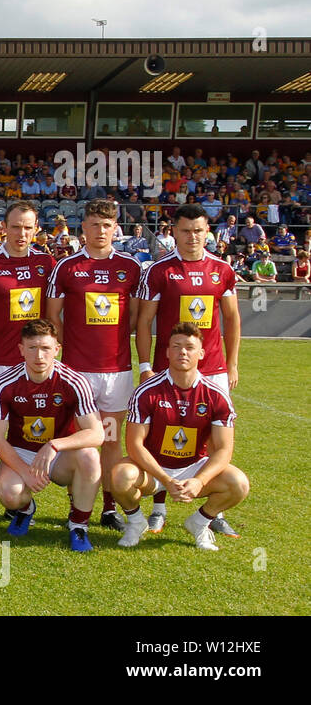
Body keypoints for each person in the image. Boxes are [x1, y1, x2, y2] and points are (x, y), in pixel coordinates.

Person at [135, 203, 241, 536]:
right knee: (161, 435)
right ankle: (160, 505)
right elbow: (145, 321)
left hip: (213, 368)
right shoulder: (159, 270)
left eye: (198, 230)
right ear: (174, 232)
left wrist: (233, 363)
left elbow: (232, 319)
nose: (192, 237)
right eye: (185, 230)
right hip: (169, 368)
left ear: (207, 231)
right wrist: (144, 365)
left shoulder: (222, 270)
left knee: (211, 439)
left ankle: (210, 511)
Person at [45, 198, 143, 530]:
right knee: (83, 441)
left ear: (116, 229)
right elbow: (52, 314)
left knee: (112, 441)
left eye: (107, 225)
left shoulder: (130, 267)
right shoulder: (67, 267)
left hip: (116, 372)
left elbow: (134, 316)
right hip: (77, 371)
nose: (101, 231)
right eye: (94, 225)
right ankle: (79, 507)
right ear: (82, 228)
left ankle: (109, 508)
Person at [113, 323, 249, 551]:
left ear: (201, 353)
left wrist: (199, 480)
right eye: (176, 346)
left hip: (193, 467)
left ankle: (199, 522)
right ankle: (136, 523)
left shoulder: (216, 395)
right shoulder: (146, 391)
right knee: (120, 476)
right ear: (167, 352)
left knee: (239, 483)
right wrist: (166, 480)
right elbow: (134, 445)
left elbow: (224, 450)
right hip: (154, 468)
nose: (182, 352)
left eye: (189, 347)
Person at [0, 319, 103, 552]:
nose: (39, 356)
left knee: (90, 456)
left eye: (46, 348)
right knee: (10, 494)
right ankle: (25, 509)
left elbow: (97, 433)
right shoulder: (4, 383)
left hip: (60, 455)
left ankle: (78, 526)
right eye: (32, 348)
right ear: (21, 349)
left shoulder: (75, 382)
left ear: (56, 349)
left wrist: (55, 445)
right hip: (22, 451)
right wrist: (23, 471)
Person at [0, 201, 57, 390]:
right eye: (15, 227)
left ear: (36, 229)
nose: (21, 234)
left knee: (38, 419)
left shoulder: (47, 263)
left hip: (39, 361)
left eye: (28, 228)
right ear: (4, 227)